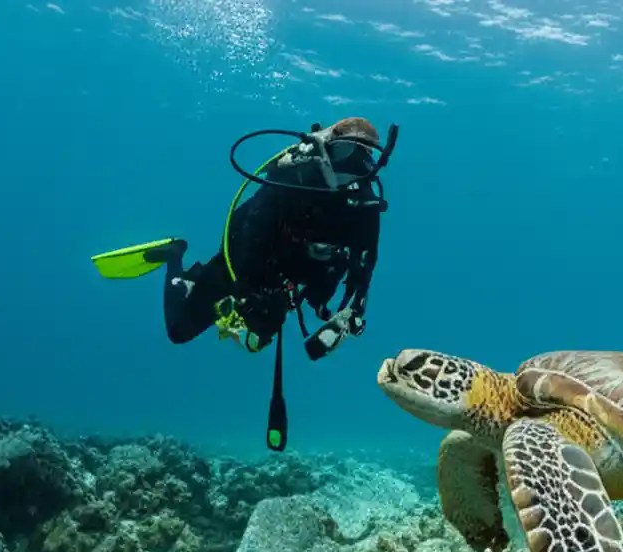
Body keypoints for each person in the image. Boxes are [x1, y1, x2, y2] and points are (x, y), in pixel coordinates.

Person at [91, 116, 400, 450]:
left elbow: (365, 261)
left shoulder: (366, 204)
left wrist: (351, 309)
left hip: (298, 276)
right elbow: (252, 236)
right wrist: (252, 295)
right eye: (345, 153)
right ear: (328, 149)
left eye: (365, 157)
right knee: (179, 331)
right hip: (244, 262)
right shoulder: (290, 177)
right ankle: (174, 257)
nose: (354, 166)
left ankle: (258, 319)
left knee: (263, 332)